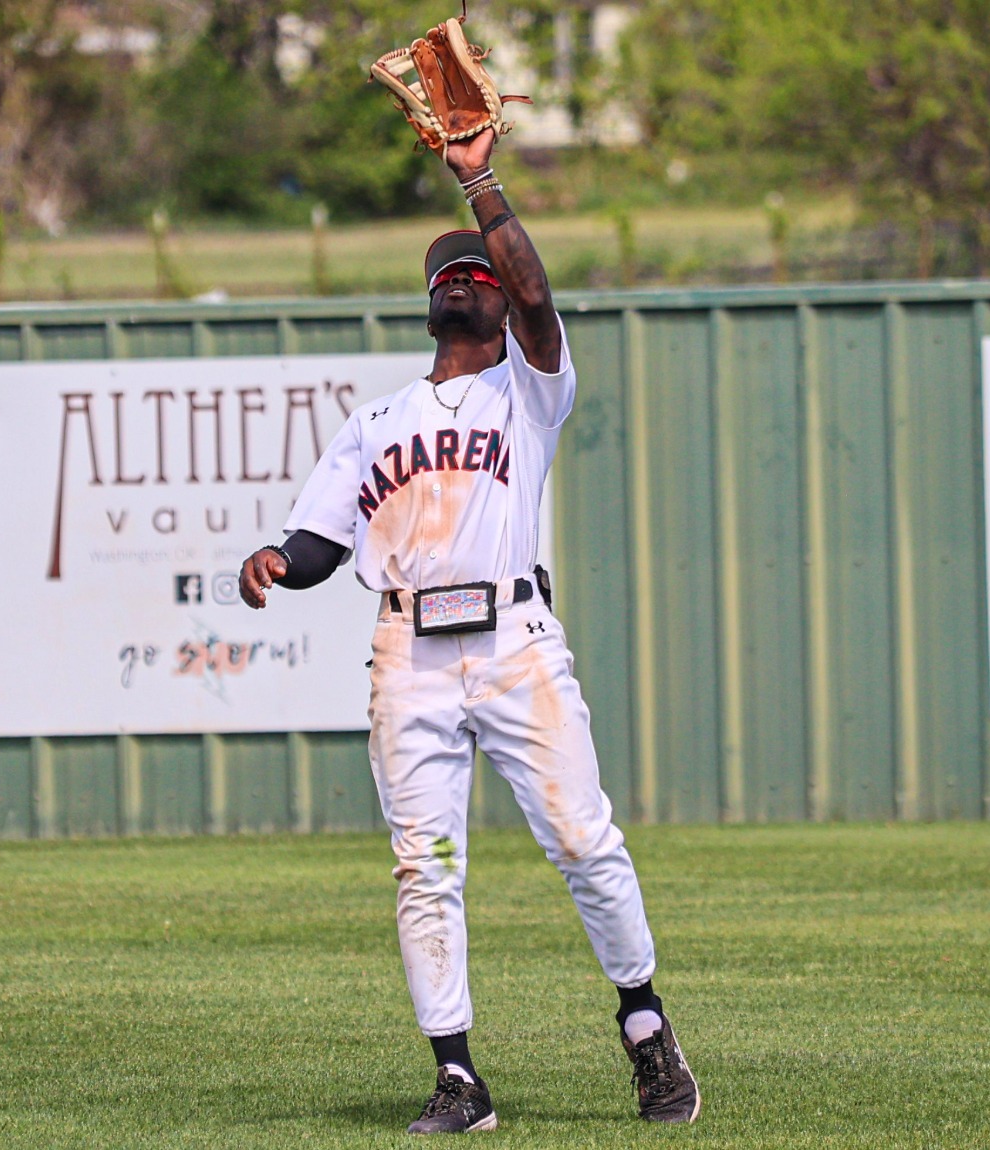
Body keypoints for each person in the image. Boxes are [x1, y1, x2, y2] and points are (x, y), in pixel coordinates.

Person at [237, 124, 698, 1134]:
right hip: (407, 653)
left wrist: (478, 180)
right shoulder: (376, 421)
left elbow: (538, 296)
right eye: (449, 271)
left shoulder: (524, 392)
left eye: (480, 271)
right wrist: (276, 562)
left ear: (501, 296)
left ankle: (644, 1024)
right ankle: (457, 1078)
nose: (465, 278)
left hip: (512, 641)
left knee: (584, 840)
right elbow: (317, 543)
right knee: (424, 863)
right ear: (430, 297)